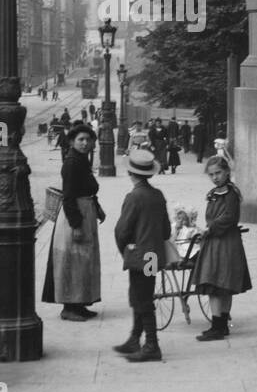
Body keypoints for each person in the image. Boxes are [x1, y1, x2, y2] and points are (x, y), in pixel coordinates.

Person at [113, 147, 172, 362]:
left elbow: (121, 231)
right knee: (141, 295)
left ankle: (152, 345)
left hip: (140, 256)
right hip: (153, 256)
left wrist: (124, 251)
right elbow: (166, 231)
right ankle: (134, 338)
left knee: (142, 299)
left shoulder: (133, 197)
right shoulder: (158, 195)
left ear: (131, 174)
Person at [42, 121, 105, 320]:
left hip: (85, 212)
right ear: (72, 142)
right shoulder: (71, 163)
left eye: (88, 139)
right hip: (74, 217)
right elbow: (69, 196)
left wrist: (97, 209)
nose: (85, 143)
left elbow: (86, 189)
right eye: (81, 140)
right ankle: (68, 308)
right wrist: (76, 225)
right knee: (72, 261)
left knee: (82, 261)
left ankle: (79, 304)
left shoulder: (81, 160)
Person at [189, 155, 252, 341]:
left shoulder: (231, 194)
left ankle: (218, 326)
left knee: (217, 285)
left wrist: (210, 229)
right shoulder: (215, 193)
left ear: (227, 172)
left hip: (225, 243)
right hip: (216, 243)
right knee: (221, 284)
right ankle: (222, 325)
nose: (215, 177)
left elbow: (229, 218)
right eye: (211, 174)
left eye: (218, 173)